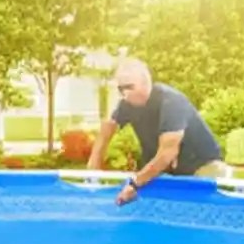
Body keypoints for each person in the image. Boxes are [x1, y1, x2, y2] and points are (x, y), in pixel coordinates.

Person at [86, 58, 230, 206]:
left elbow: (167, 154)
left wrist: (135, 183)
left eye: (129, 87)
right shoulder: (126, 105)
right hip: (170, 170)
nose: (125, 94)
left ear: (145, 82)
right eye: (120, 89)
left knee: (201, 208)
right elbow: (106, 131)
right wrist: (94, 168)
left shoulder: (172, 102)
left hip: (204, 166)